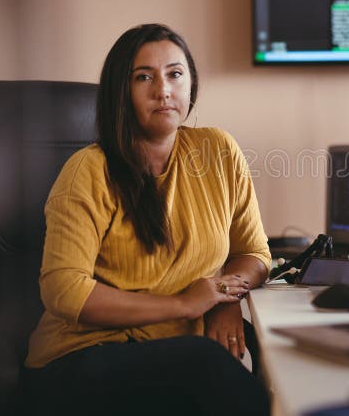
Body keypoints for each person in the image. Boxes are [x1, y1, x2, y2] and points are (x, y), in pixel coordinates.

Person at [23, 23, 271, 415]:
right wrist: (186, 305)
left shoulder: (218, 151)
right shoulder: (88, 171)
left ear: (192, 84)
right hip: (79, 360)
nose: (163, 90)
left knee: (269, 349)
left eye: (175, 74)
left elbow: (255, 253)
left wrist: (224, 297)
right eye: (144, 77)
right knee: (206, 368)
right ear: (121, 93)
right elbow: (64, 290)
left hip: (176, 350)